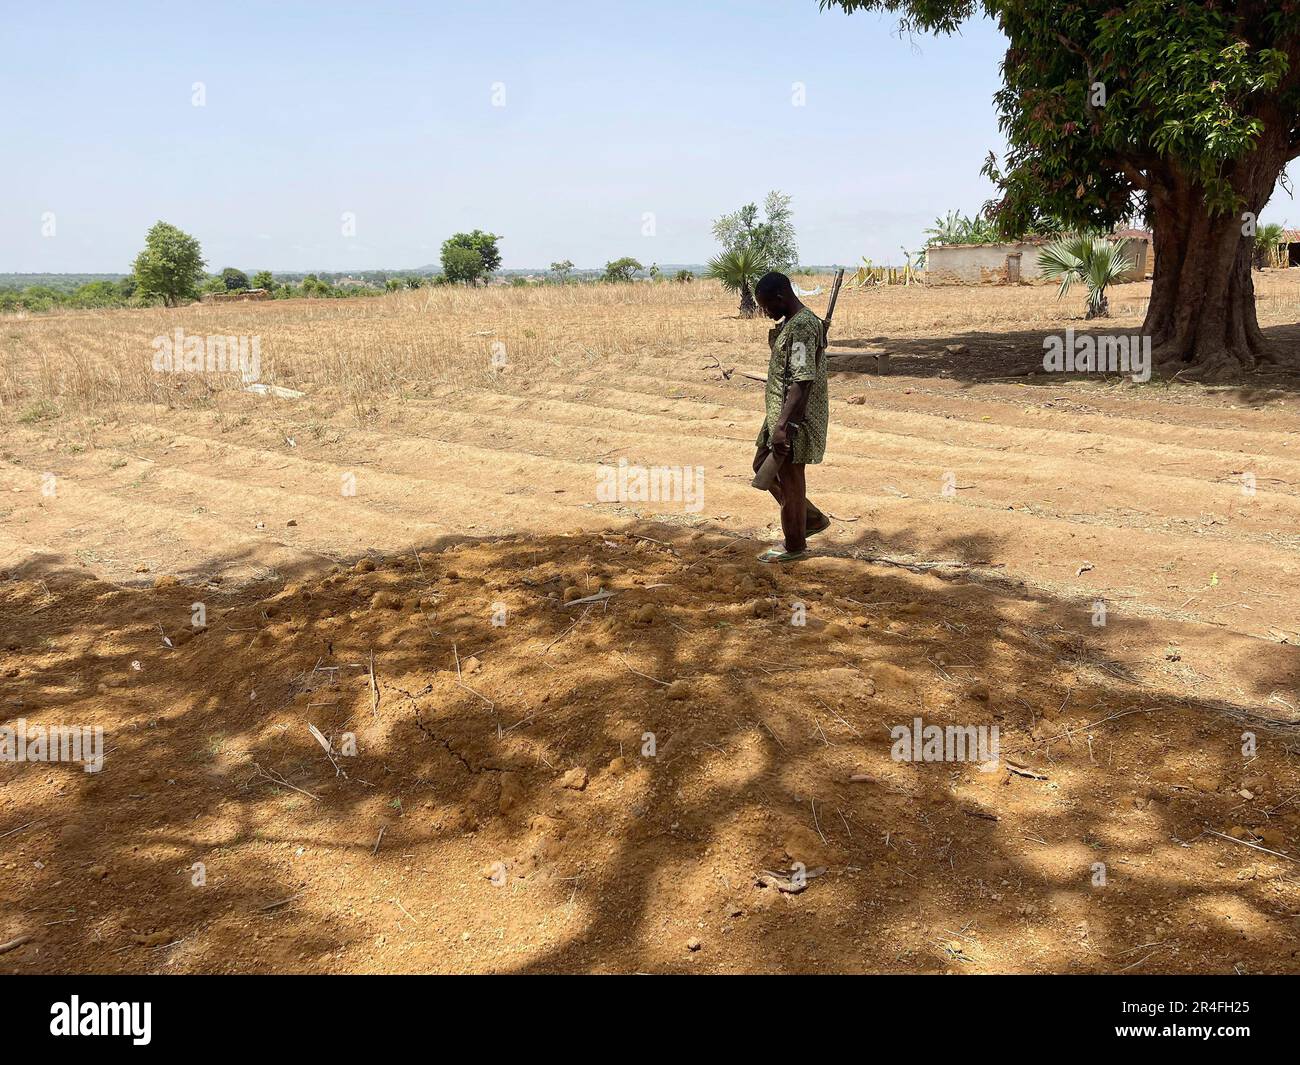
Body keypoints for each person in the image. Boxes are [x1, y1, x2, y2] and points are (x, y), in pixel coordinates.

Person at [751, 271, 830, 563]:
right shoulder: (794, 324)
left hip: (795, 417)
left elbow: (801, 379)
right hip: (779, 414)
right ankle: (807, 518)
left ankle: (794, 543)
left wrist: (784, 426)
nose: (766, 311)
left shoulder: (802, 327)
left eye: (767, 305)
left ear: (781, 298)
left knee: (791, 478)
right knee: (762, 466)